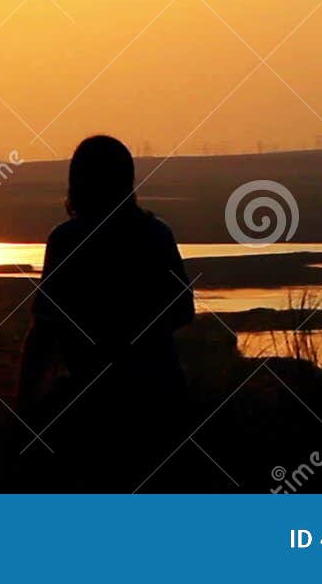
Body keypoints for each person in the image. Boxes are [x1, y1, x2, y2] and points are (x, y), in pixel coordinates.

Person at [15, 135, 195, 490]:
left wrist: (23, 410)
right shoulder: (157, 234)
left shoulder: (66, 239)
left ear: (77, 183)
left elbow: (43, 334)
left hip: (91, 409)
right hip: (159, 402)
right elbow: (183, 311)